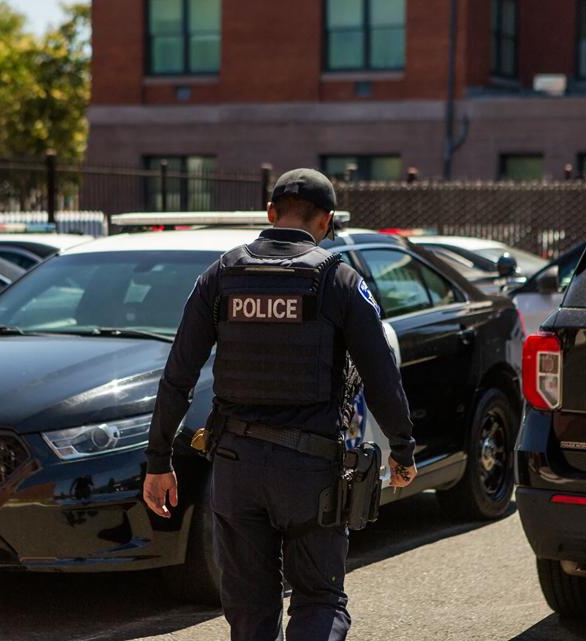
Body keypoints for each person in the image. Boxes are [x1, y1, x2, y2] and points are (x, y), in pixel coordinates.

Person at [142, 168, 418, 641]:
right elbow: (381, 376)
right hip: (309, 473)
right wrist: (403, 450)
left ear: (270, 213)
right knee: (319, 601)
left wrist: (158, 461)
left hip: (234, 469)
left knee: (250, 612)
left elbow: (178, 376)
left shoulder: (221, 274)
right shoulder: (340, 278)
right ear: (327, 221)